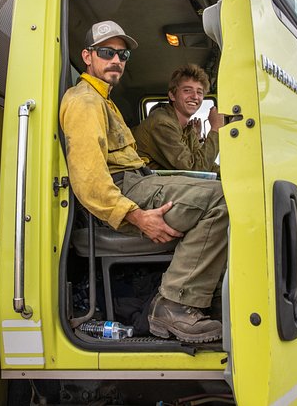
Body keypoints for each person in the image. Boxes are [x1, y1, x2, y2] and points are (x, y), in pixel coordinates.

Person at [60, 20, 228, 343]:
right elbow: (89, 178)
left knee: (222, 189)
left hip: (138, 183)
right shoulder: (85, 102)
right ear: (87, 57)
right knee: (220, 199)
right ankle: (175, 305)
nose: (116, 61)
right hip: (127, 192)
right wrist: (136, 216)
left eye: (122, 56)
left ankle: (204, 298)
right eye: (107, 52)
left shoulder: (104, 101)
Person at [133, 64, 224, 173]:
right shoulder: (162, 123)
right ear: (172, 95)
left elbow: (205, 164)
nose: (195, 96)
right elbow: (194, 169)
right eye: (187, 90)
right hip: (146, 184)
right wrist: (216, 128)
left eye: (199, 92)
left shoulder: (188, 129)